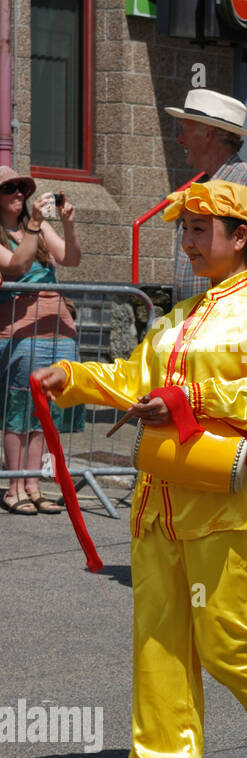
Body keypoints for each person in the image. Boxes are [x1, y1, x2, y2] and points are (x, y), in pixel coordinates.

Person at [32, 181, 247, 758]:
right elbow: (133, 376)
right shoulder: (175, 321)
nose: (187, 243)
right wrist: (74, 378)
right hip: (159, 502)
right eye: (183, 231)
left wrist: (190, 402)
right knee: (159, 640)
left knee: (230, 638)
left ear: (239, 238)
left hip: (228, 501)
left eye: (200, 231)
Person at [0, 167, 81, 516]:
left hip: (57, 326)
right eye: (9, 188)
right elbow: (16, 266)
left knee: (42, 408)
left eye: (22, 187)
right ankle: (14, 486)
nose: (18, 192)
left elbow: (72, 258)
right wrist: (33, 225)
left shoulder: (38, 225)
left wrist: (67, 224)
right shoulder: (12, 231)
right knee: (18, 408)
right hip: (19, 327)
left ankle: (33, 483)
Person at [167, 88, 247, 303]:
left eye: (184, 130)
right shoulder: (201, 185)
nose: (180, 140)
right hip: (194, 321)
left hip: (227, 325)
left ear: (207, 133)